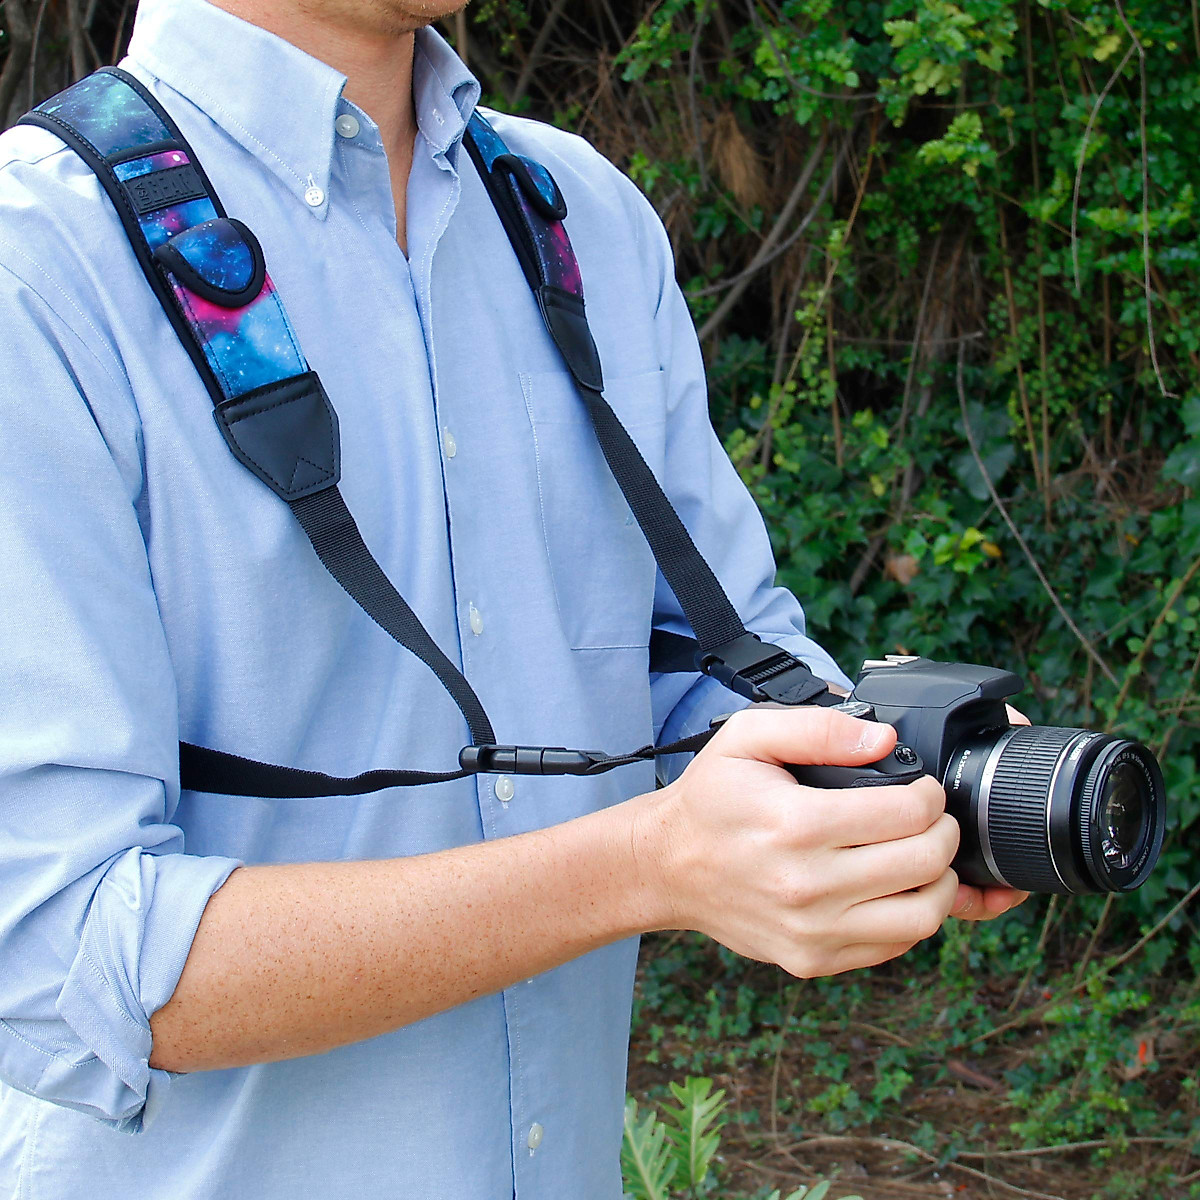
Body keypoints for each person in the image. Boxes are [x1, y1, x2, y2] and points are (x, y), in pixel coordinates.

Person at [0, 0, 1027, 1195]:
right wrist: (643, 867)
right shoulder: (39, 263)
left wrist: (890, 776)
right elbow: (62, 952)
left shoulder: (574, 214)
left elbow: (707, 670)